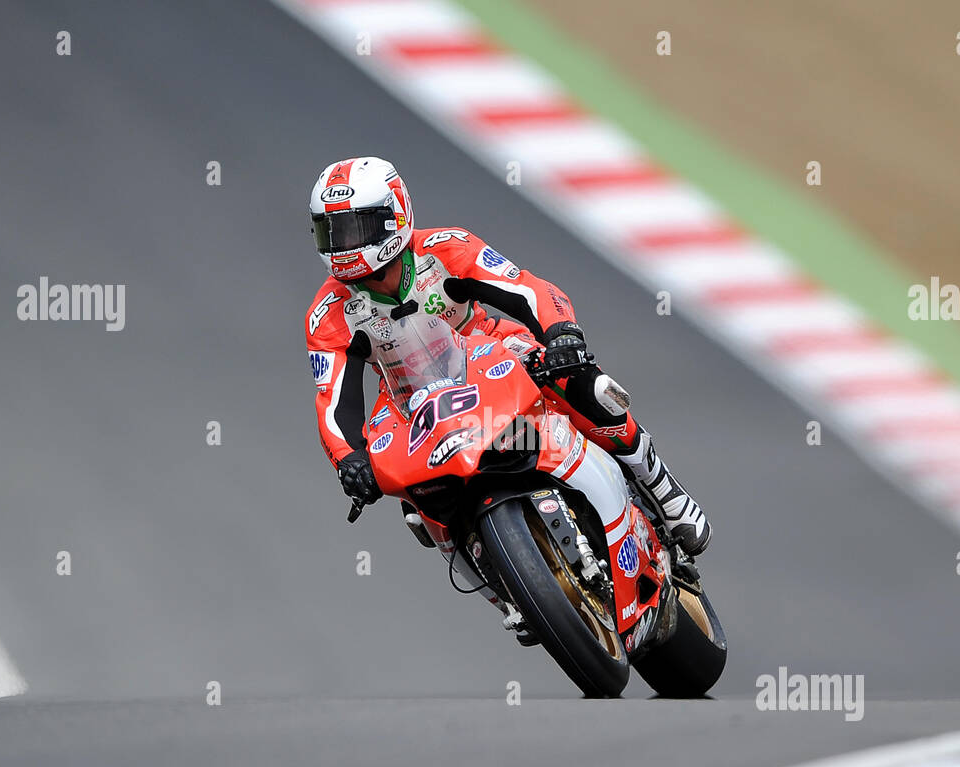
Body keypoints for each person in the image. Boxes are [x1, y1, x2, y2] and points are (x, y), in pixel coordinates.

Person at [304, 156, 709, 555]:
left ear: (395, 216)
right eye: (332, 233)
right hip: (407, 396)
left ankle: (659, 484)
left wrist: (561, 333)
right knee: (412, 504)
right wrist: (349, 460)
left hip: (491, 349)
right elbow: (333, 402)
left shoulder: (446, 248)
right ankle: (506, 598)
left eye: (357, 229)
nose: (344, 246)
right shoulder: (326, 316)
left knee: (585, 383)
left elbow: (525, 288)